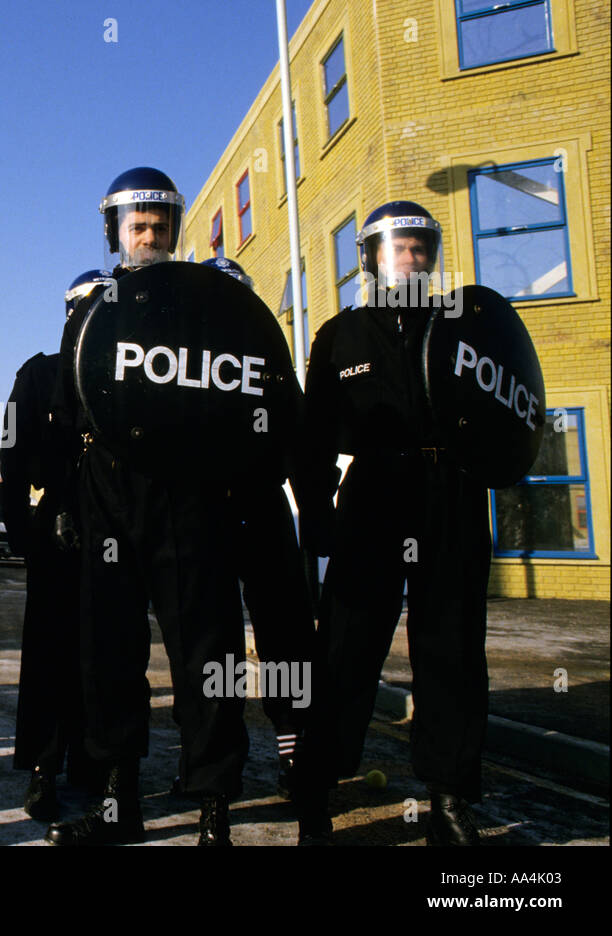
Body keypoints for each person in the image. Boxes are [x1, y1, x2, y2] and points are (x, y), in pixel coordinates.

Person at [45, 168, 248, 846]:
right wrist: (70, 500)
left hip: (188, 496)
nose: (149, 237)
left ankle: (214, 804)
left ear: (174, 231)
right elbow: (68, 404)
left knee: (204, 650)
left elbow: (235, 390)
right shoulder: (91, 307)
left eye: (160, 227)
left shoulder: (204, 300)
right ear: (116, 233)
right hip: (109, 493)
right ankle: (116, 804)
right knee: (109, 655)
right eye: (138, 227)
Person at [294, 201, 488, 845]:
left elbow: (504, 411)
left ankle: (450, 798)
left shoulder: (463, 327)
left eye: (420, 247)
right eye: (398, 247)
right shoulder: (340, 336)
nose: (411, 257)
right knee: (346, 646)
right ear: (372, 257)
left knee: (452, 648)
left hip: (449, 492)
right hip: (373, 494)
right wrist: (316, 514)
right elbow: (312, 438)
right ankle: (317, 788)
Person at [175, 256, 315, 802]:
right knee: (208, 646)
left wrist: (316, 507)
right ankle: (204, 760)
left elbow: (302, 437)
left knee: (286, 635)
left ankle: (294, 745)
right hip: (199, 511)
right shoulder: (181, 363)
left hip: (261, 506)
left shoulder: (270, 363)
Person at [0, 269, 114, 821]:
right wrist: (24, 530)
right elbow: (13, 457)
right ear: (68, 312)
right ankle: (44, 768)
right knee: (48, 652)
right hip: (55, 531)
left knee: (106, 652)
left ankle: (98, 764)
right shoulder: (40, 373)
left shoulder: (122, 374)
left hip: (115, 526)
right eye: (85, 306)